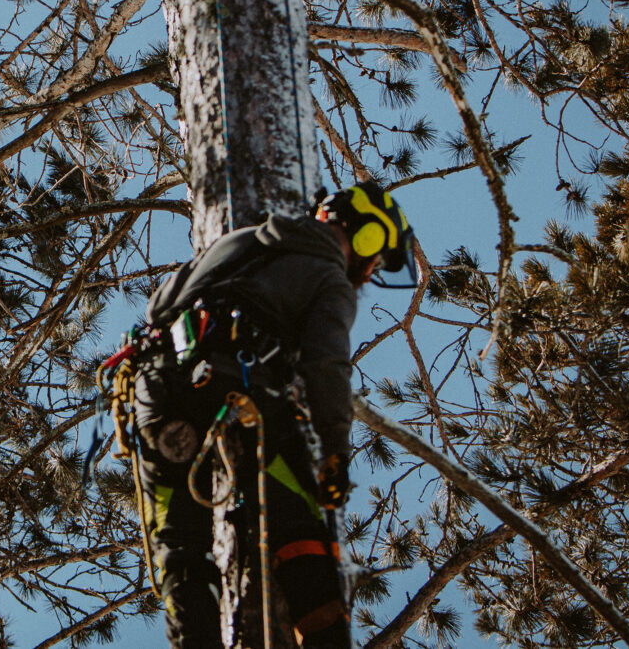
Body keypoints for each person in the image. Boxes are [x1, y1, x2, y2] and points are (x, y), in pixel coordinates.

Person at [130, 182, 417, 649]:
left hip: (157, 392)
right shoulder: (328, 273)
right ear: (368, 238)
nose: (370, 271)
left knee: (179, 545)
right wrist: (334, 451)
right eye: (377, 259)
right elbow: (326, 365)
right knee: (300, 527)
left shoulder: (245, 240)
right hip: (240, 391)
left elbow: (159, 305)